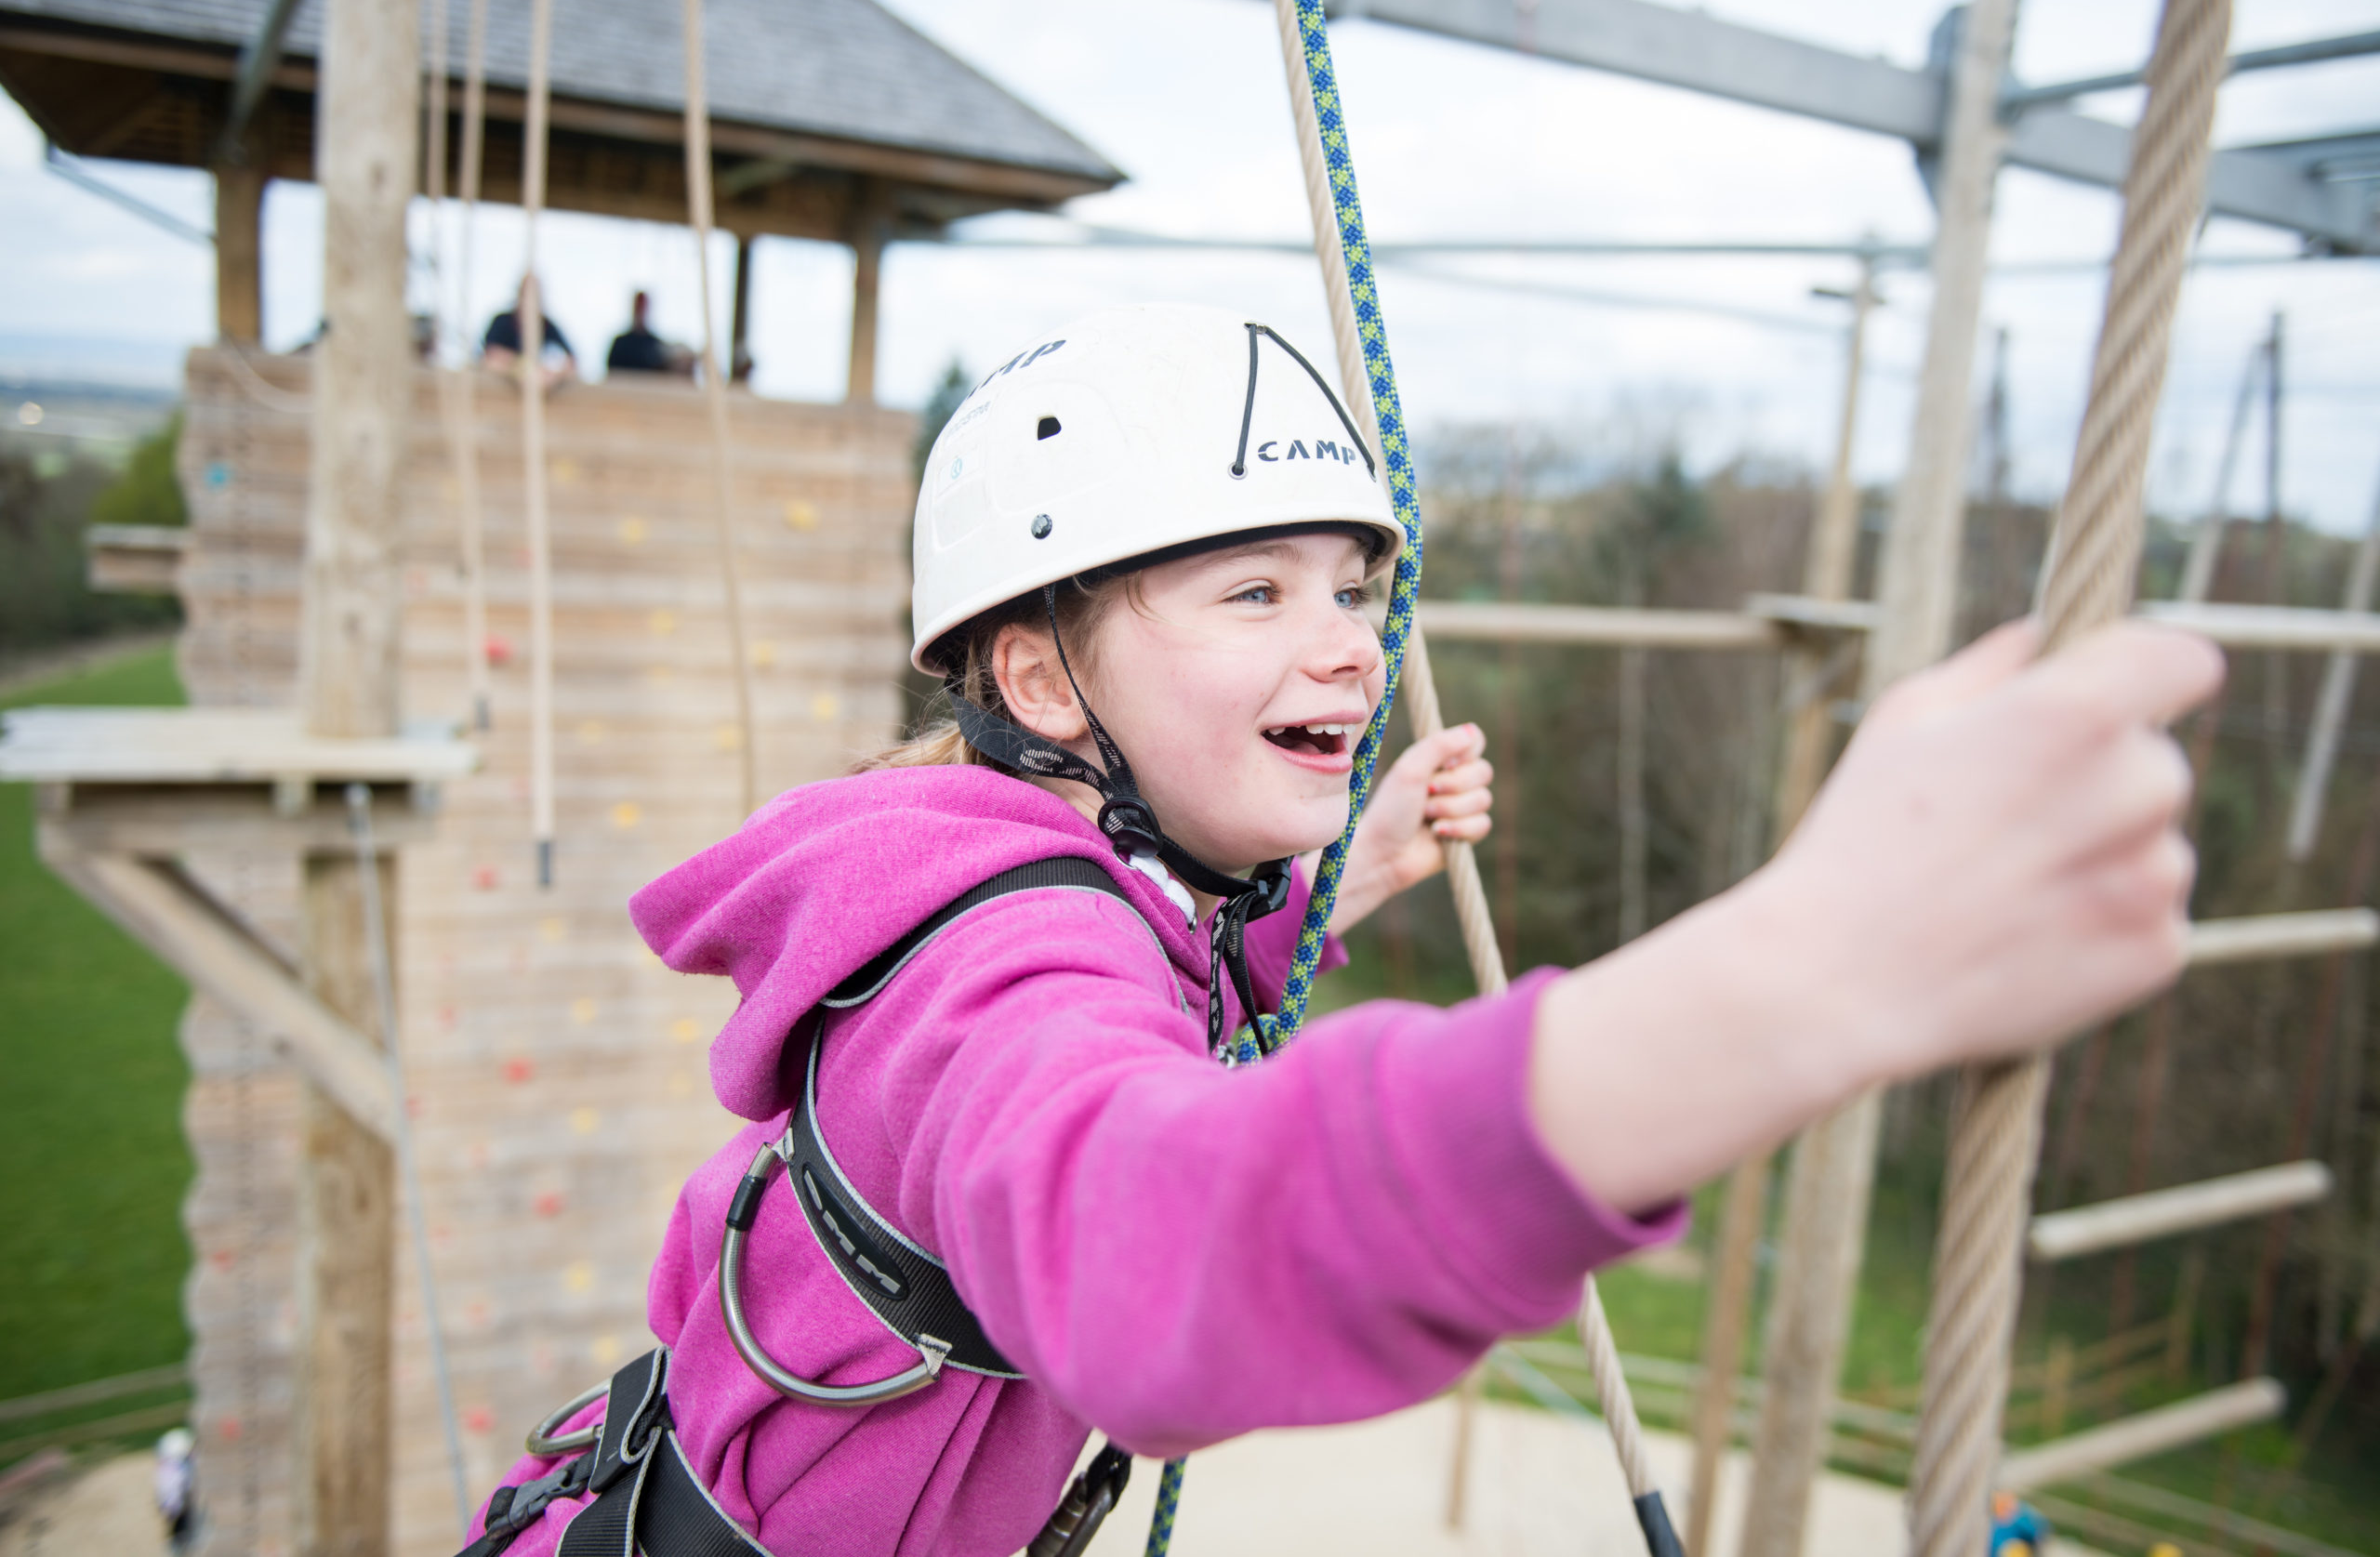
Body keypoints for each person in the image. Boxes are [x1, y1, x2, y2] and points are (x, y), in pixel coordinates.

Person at [456, 303, 2220, 1557]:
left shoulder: (1041, 884)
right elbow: (1156, 1227)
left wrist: (1350, 870)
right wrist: (1814, 965)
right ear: (1035, 670)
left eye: (1354, 588)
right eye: (1254, 590)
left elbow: (1165, 976)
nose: (1353, 645)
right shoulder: (985, 967)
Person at [482, 274, 576, 389]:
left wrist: (553, 373)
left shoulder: (547, 326)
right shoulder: (503, 322)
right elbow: (491, 356)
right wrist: (523, 368)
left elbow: (571, 362)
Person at [604, 290, 694, 377]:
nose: (640, 311)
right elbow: (611, 374)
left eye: (643, 306)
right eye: (638, 306)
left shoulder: (656, 345)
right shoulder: (620, 343)